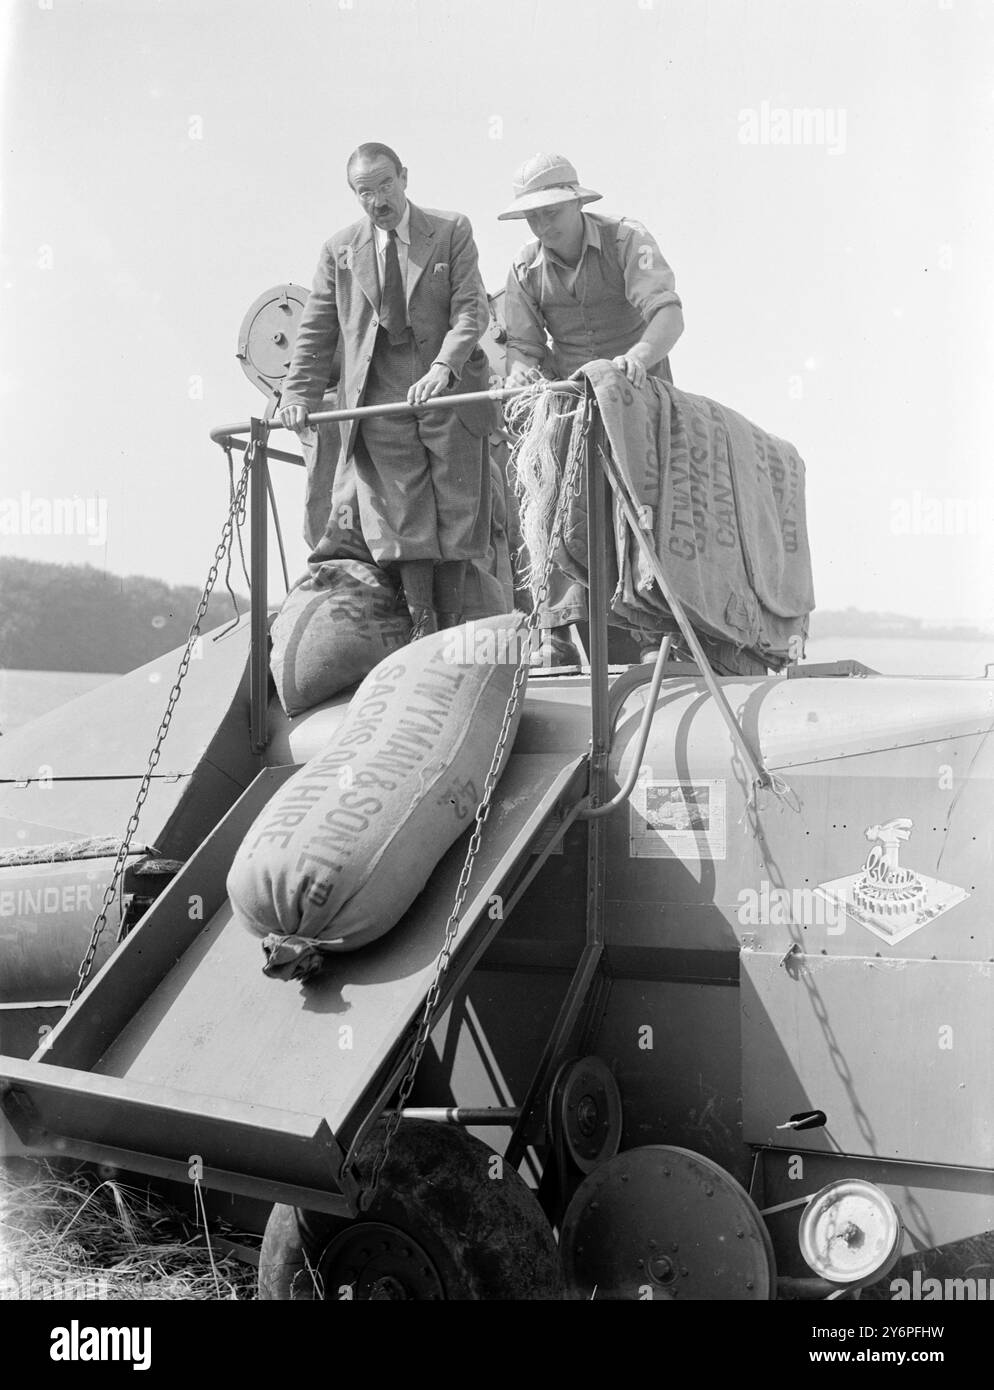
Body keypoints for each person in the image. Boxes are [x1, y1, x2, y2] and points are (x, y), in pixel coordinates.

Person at [279, 142, 493, 635]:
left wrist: (444, 367)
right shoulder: (339, 250)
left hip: (448, 391)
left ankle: (454, 630)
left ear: (405, 177)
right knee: (400, 516)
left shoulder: (451, 230)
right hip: (379, 401)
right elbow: (316, 331)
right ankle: (422, 630)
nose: (378, 200)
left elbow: (470, 309)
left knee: (457, 510)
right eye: (364, 191)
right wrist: (297, 397)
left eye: (385, 185)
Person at [498, 153, 684, 664]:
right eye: (531, 216)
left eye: (550, 213)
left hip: (636, 394)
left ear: (577, 204)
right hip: (569, 404)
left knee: (640, 510)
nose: (540, 225)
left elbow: (667, 316)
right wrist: (518, 371)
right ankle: (557, 634)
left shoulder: (627, 240)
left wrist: (638, 360)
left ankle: (654, 636)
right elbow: (523, 345)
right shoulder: (523, 268)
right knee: (554, 505)